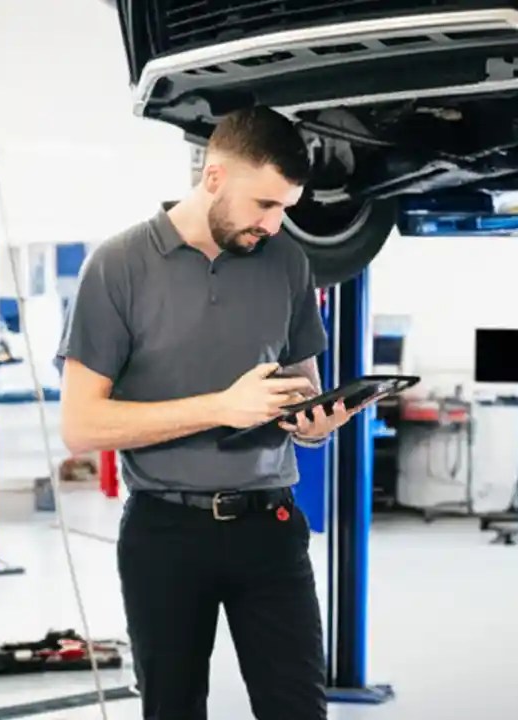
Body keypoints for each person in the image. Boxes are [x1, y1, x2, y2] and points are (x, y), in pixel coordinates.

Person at [56, 106, 366, 719]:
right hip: (164, 533)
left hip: (270, 528)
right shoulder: (118, 267)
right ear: (215, 177)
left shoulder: (287, 264)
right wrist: (221, 408)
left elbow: (302, 387)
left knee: (299, 709)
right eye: (265, 205)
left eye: (285, 208)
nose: (276, 225)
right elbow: (81, 426)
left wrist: (315, 423)